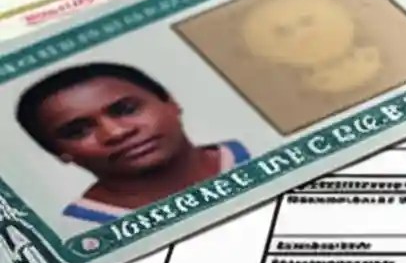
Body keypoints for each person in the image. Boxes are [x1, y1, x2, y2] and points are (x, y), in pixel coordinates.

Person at [15, 62, 249, 224]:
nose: (116, 133)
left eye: (127, 109)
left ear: (171, 103)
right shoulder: (79, 232)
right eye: (77, 131)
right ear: (60, 153)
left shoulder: (258, 148)